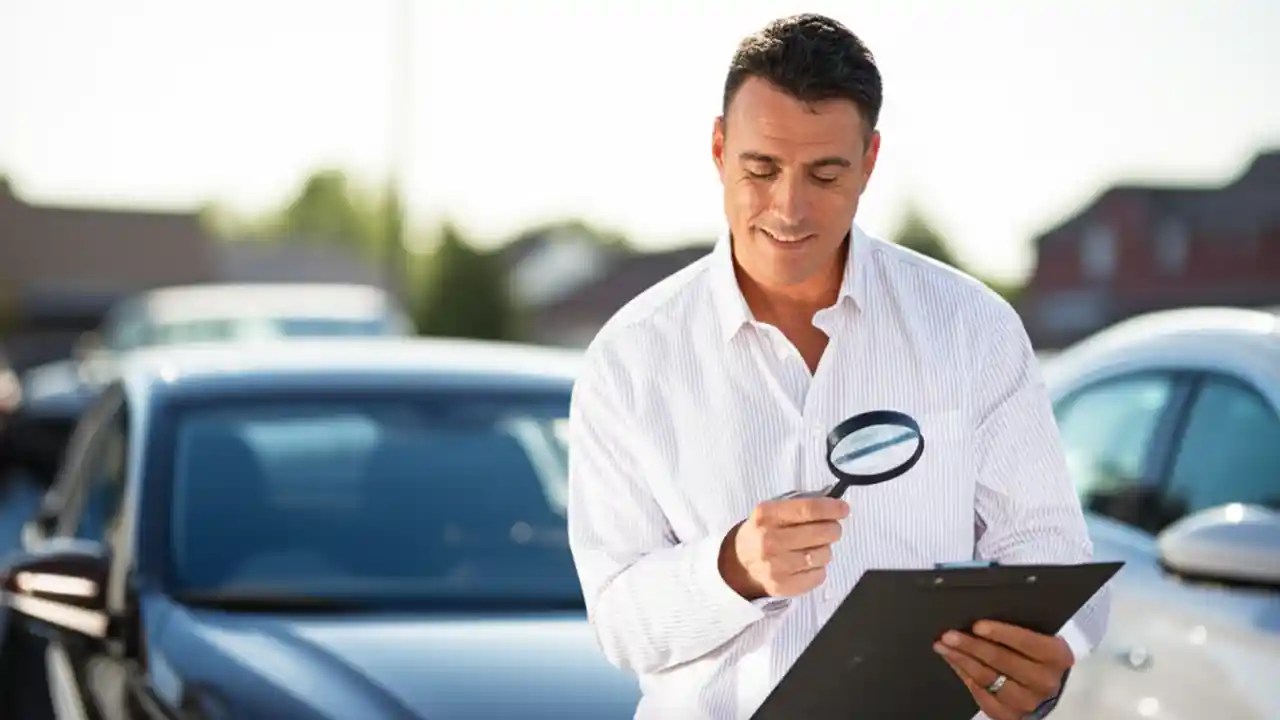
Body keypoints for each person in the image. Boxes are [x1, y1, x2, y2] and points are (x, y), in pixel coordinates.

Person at [567, 13, 1107, 720]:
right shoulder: (630, 358)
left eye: (825, 173)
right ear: (719, 149)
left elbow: (1049, 554)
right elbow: (619, 621)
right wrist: (732, 568)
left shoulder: (973, 329)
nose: (788, 207)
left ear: (870, 161)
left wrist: (1042, 665)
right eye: (761, 169)